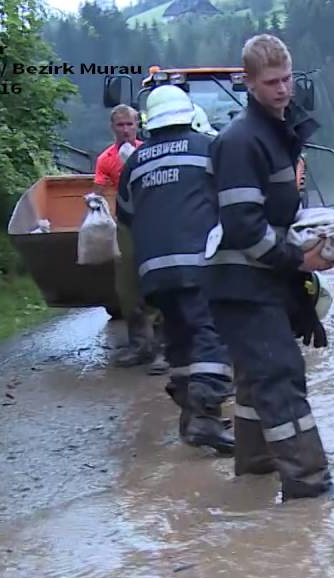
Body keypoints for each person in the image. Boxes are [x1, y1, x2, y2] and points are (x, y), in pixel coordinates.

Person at [203, 33, 334, 499]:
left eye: (287, 79)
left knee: (259, 380)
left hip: (261, 280)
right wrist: (299, 258)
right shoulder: (241, 141)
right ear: (249, 83)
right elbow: (243, 225)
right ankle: (310, 488)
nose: (283, 90)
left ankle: (256, 472)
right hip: (241, 284)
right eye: (271, 82)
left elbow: (280, 216)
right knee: (280, 374)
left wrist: (300, 277)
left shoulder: (277, 135)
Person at [114, 85, 235, 453]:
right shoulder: (208, 147)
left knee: (180, 338)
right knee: (214, 334)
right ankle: (204, 414)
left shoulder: (135, 161)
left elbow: (126, 218)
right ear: (188, 112)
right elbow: (232, 199)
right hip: (201, 264)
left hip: (154, 272)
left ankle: (191, 418)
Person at [94, 104, 168, 373]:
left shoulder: (149, 152)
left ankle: (163, 348)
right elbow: (99, 191)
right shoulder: (106, 159)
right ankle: (140, 345)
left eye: (130, 125)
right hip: (124, 223)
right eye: (120, 125)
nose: (125, 130)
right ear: (113, 127)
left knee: (158, 281)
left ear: (139, 126)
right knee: (126, 287)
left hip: (155, 221)